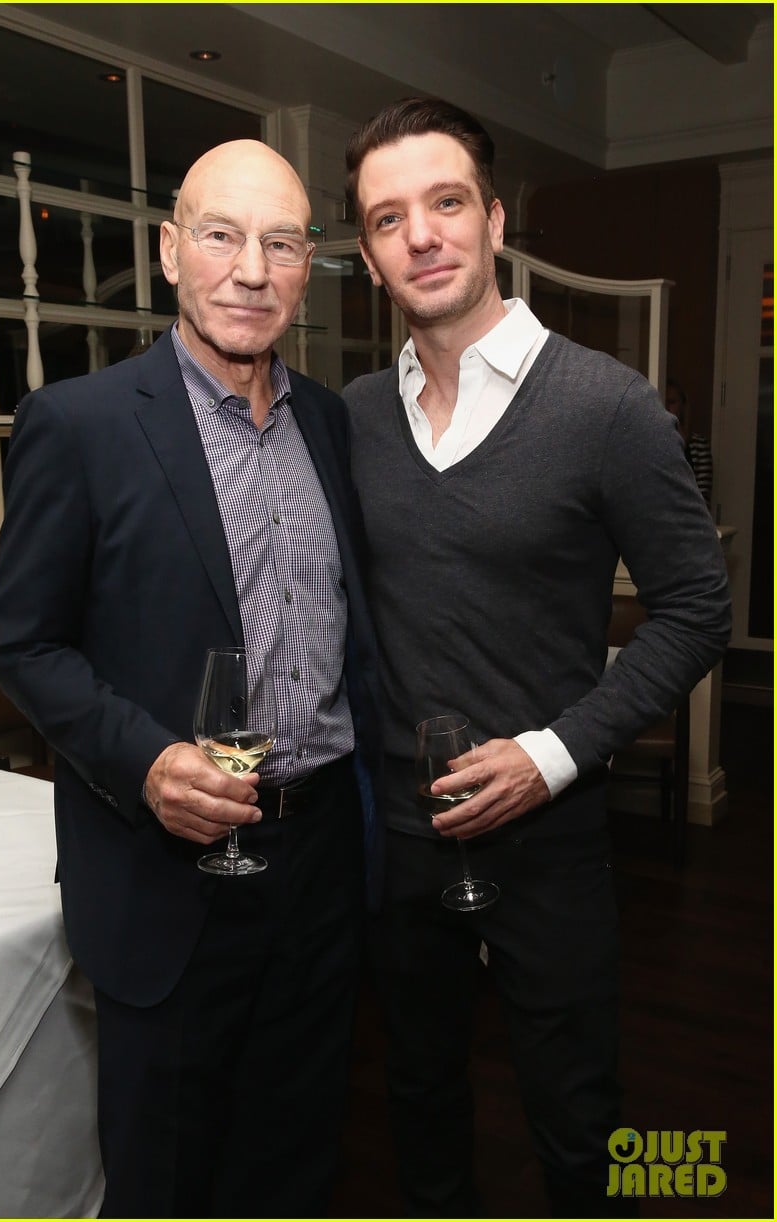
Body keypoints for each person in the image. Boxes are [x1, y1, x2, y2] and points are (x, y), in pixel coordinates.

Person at [341, 97, 731, 1219]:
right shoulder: (356, 417)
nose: (420, 234)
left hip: (550, 839)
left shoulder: (604, 406)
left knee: (578, 1115)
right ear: (369, 257)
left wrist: (552, 755)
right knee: (415, 1094)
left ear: (494, 221)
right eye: (387, 217)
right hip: (406, 843)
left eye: (446, 202)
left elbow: (697, 609)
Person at [0, 139, 382, 1219]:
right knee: (167, 1175)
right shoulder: (83, 424)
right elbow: (23, 642)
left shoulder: (332, 425)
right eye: (221, 235)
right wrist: (145, 757)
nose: (252, 269)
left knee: (296, 1157)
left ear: (307, 267)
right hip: (168, 875)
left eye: (282, 243)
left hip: (318, 863)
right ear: (169, 252)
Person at [665, 376, 714, 507]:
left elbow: (703, 497)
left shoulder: (699, 445)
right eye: (662, 401)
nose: (666, 407)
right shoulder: (647, 442)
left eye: (671, 402)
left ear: (682, 405)